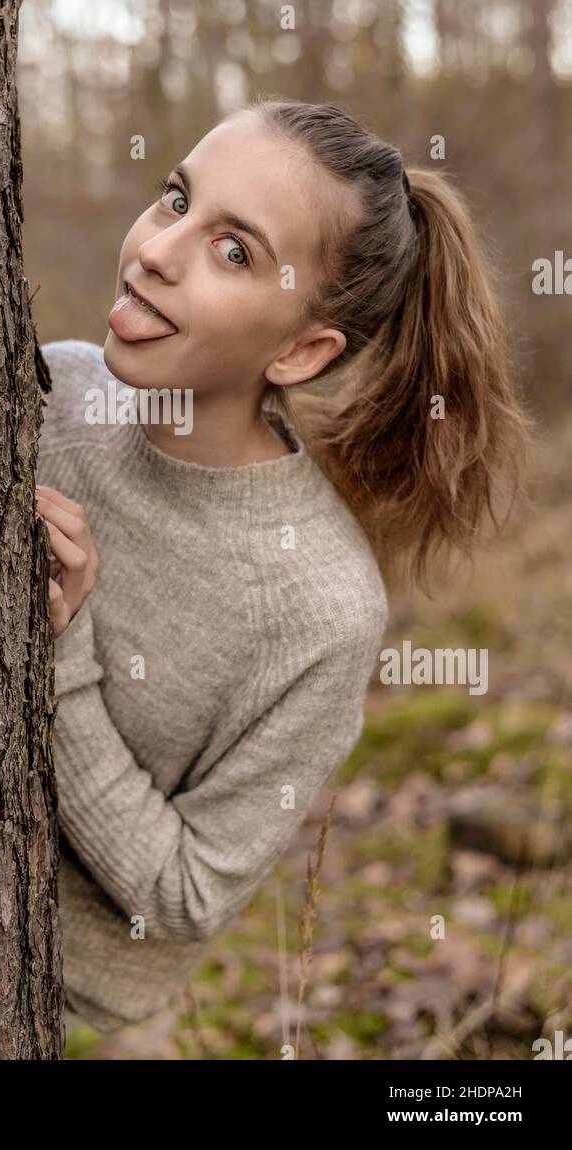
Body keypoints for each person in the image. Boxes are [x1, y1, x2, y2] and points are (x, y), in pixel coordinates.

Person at [35, 97, 530, 1036]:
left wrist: (61, 659)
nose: (155, 249)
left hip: (78, 1023)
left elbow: (186, 895)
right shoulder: (49, 391)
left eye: (234, 252)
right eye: (175, 199)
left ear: (302, 351)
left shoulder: (320, 608)